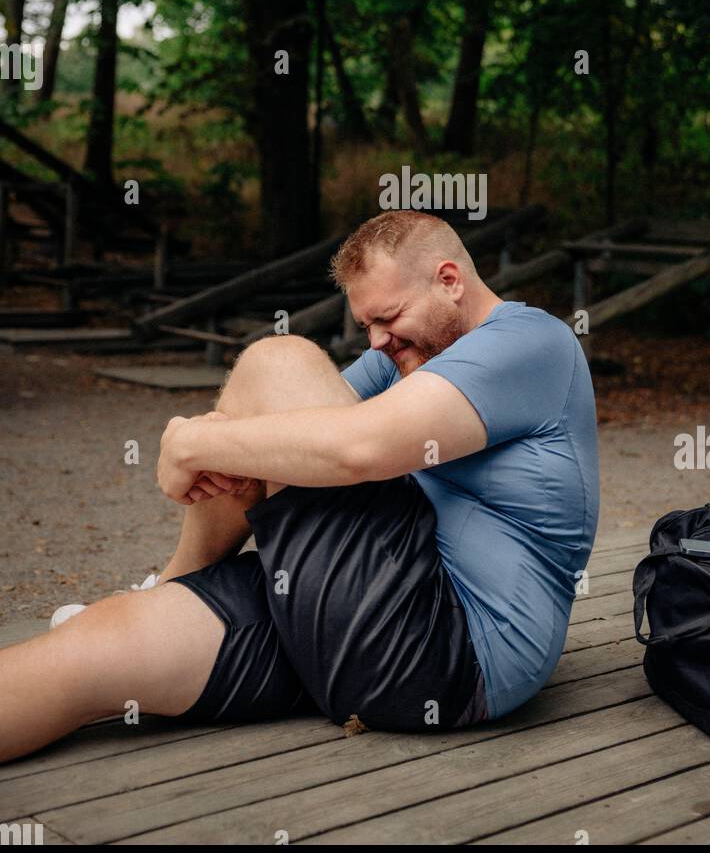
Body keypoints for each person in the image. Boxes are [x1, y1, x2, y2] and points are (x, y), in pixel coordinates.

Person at [0, 211, 599, 763]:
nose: (377, 342)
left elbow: (355, 447)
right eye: (366, 326)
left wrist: (192, 443)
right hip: (357, 624)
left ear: (449, 280)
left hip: (450, 651)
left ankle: (177, 579)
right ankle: (168, 592)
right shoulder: (408, 356)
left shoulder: (534, 344)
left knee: (277, 359)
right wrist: (232, 438)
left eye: (387, 319)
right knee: (91, 650)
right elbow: (292, 434)